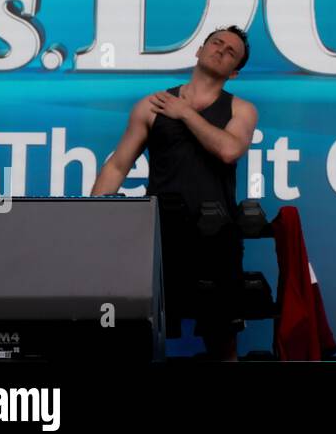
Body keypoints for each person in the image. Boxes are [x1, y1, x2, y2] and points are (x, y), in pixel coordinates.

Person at [91, 26, 258, 361]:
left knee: (223, 344)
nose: (221, 50)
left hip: (216, 239)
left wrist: (184, 113)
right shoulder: (152, 106)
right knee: (143, 336)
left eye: (231, 52)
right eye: (216, 43)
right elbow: (117, 166)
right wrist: (91, 215)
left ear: (235, 71)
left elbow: (228, 150)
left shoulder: (242, 110)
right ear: (199, 50)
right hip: (160, 237)